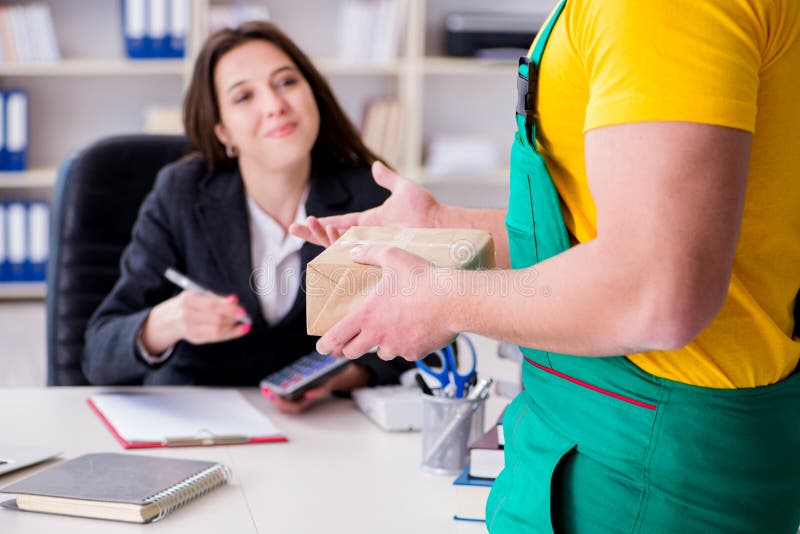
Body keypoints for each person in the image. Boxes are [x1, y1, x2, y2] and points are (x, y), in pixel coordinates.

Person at [291, 0, 800, 531]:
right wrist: (442, 225)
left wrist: (441, 302)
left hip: (642, 470)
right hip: (598, 437)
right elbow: (605, 240)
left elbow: (655, 292)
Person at [82, 21, 411, 412]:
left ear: (313, 93)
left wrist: (347, 375)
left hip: (325, 430)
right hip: (200, 425)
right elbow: (97, 354)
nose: (274, 106)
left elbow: (432, 339)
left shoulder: (371, 195)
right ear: (223, 131)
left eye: (286, 82)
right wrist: (166, 323)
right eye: (244, 97)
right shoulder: (181, 193)